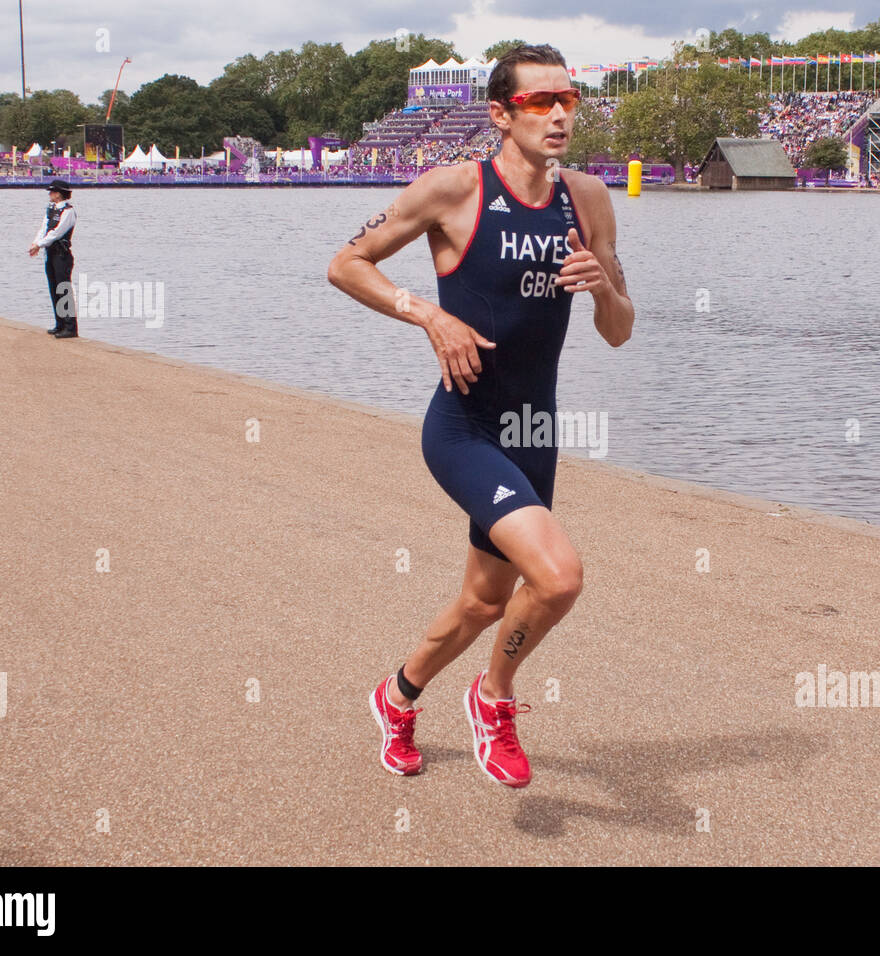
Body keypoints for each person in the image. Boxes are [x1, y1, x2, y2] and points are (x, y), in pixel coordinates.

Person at [328, 44, 634, 788]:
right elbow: (347, 264)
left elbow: (620, 330)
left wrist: (601, 288)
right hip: (463, 427)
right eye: (540, 102)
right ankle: (493, 700)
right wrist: (428, 316)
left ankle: (395, 696)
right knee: (558, 578)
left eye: (569, 99)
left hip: (535, 432)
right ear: (500, 113)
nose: (560, 114)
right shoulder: (454, 190)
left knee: (484, 599)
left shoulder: (588, 200)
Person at [28, 179, 78, 338]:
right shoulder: (50, 209)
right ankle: (60, 323)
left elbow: (57, 232)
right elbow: (44, 228)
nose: (50, 194)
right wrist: (36, 243)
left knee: (63, 289)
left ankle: (70, 327)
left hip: (62, 255)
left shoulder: (68, 211)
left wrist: (39, 244)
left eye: (52, 191)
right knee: (53, 288)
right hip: (50, 253)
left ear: (59, 194)